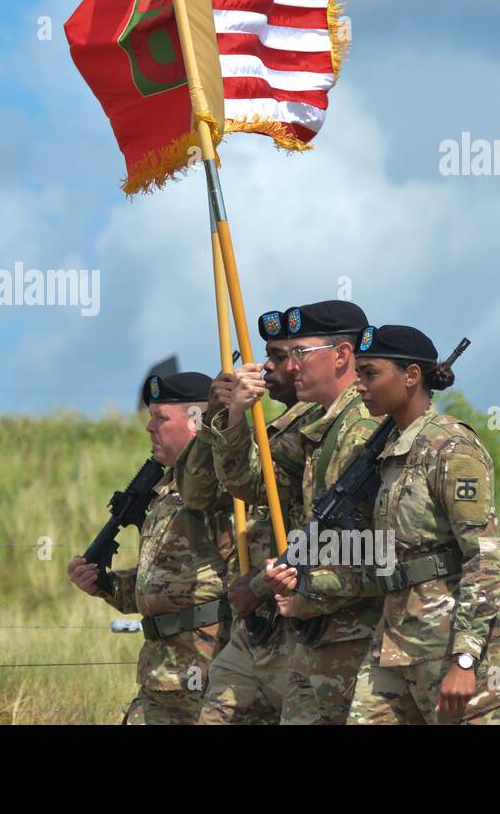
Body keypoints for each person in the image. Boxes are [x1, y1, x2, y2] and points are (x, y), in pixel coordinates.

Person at [337, 325, 500, 723]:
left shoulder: (450, 447)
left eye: (370, 373)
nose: (360, 386)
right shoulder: (390, 453)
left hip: (448, 645)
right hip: (394, 643)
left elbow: (485, 558)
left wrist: (465, 659)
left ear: (411, 376)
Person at [177, 309, 322, 724]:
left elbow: (255, 487)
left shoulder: (333, 428)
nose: (268, 367)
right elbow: (198, 492)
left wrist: (258, 586)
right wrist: (221, 415)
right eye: (271, 356)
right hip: (260, 622)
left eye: (283, 356)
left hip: (303, 616)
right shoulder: (274, 427)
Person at [68, 372, 236, 724]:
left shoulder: (224, 484)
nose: (149, 427)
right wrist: (106, 585)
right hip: (162, 672)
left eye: (160, 418)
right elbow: (160, 584)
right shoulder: (164, 492)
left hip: (208, 668)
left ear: (196, 421)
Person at [256, 301, 386, 725]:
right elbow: (251, 485)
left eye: (300, 354)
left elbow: (384, 551)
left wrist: (306, 584)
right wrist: (229, 417)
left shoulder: (364, 429)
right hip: (317, 635)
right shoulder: (318, 423)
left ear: (341, 355)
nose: (291, 367)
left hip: (357, 640)